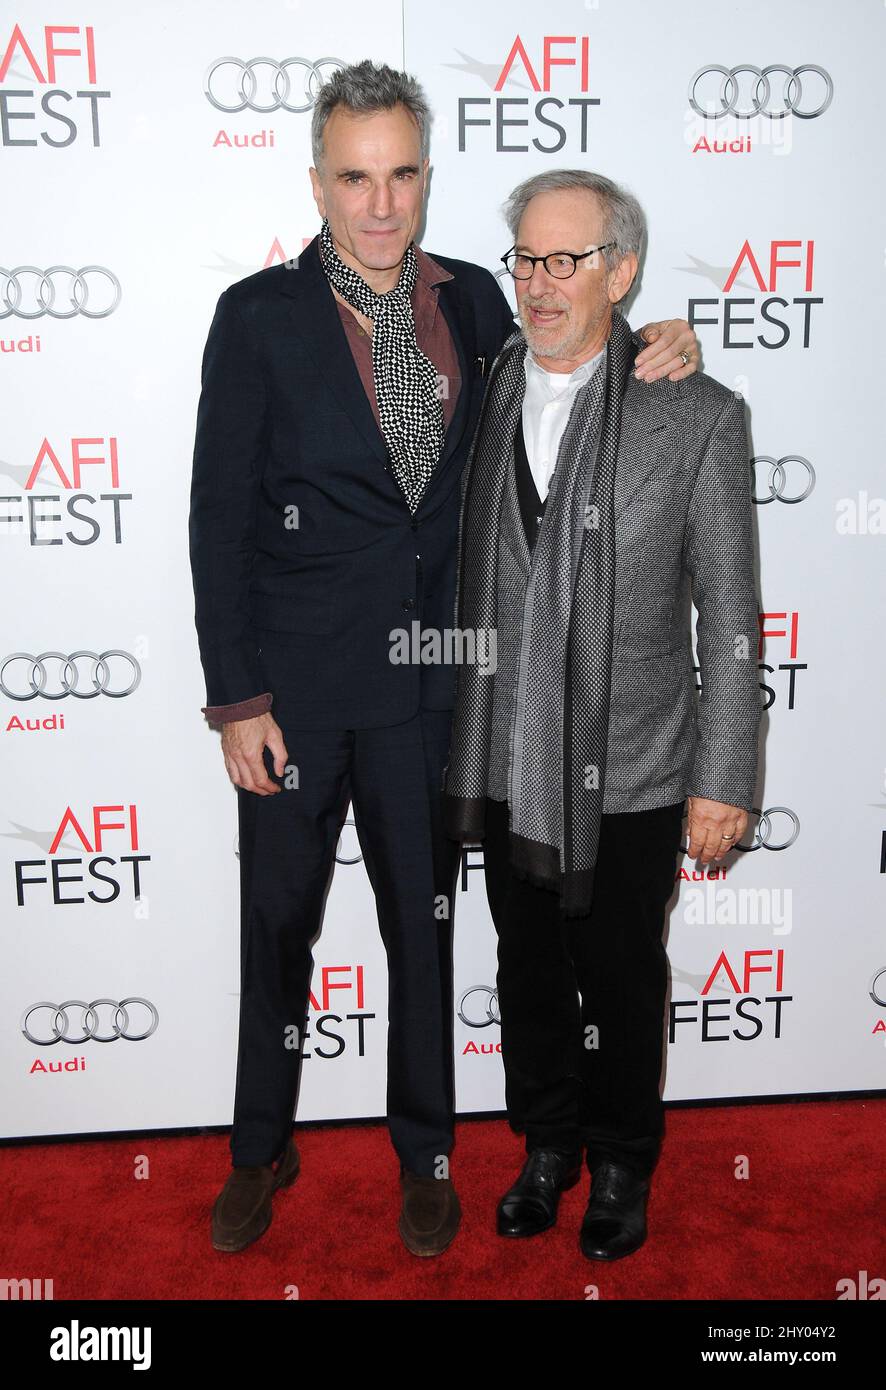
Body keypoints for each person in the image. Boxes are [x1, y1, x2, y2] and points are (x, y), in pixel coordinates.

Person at [188, 60, 702, 1258]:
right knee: (277, 927)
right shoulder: (255, 317)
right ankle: (260, 1144)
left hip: (431, 688)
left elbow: (571, 354)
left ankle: (425, 1150)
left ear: (427, 177)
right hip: (298, 698)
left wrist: (656, 338)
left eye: (403, 174)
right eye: (355, 177)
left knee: (422, 935)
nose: (380, 205)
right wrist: (236, 704)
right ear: (317, 182)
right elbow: (217, 521)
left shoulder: (477, 298)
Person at [442, 169, 761, 1261]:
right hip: (506, 749)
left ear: (620, 272)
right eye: (525, 258)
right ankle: (547, 1145)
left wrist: (727, 775)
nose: (539, 283)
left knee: (620, 975)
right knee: (525, 964)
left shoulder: (697, 413)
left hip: (634, 759)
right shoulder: (483, 388)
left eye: (566, 260)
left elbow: (728, 609)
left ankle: (621, 1159)